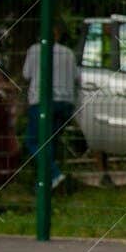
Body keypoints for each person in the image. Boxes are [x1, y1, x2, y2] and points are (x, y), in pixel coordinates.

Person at [21, 20, 78, 192]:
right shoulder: (68, 53)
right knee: (49, 143)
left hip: (43, 101)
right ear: (58, 35)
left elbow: (26, 75)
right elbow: (76, 77)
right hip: (66, 103)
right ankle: (45, 185)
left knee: (32, 141)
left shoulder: (35, 50)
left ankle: (54, 174)